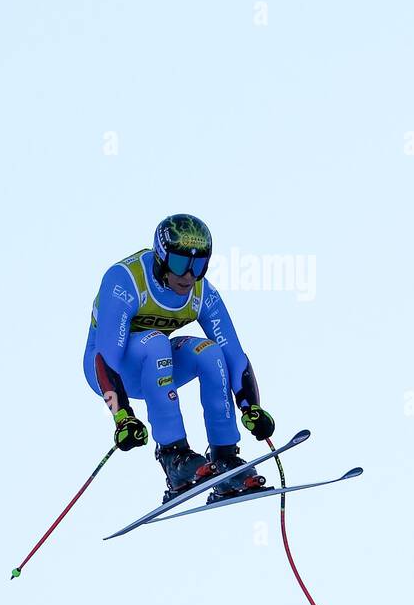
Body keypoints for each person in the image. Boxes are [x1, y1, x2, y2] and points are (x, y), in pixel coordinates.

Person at [82, 214, 276, 504]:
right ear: (161, 257)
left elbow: (233, 354)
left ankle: (225, 459)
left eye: (198, 266)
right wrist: (123, 416)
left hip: (157, 368)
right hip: (112, 370)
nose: (187, 275)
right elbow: (106, 355)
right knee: (156, 341)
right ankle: (174, 457)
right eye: (178, 264)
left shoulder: (201, 292)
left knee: (210, 352)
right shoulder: (125, 279)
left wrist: (252, 406)